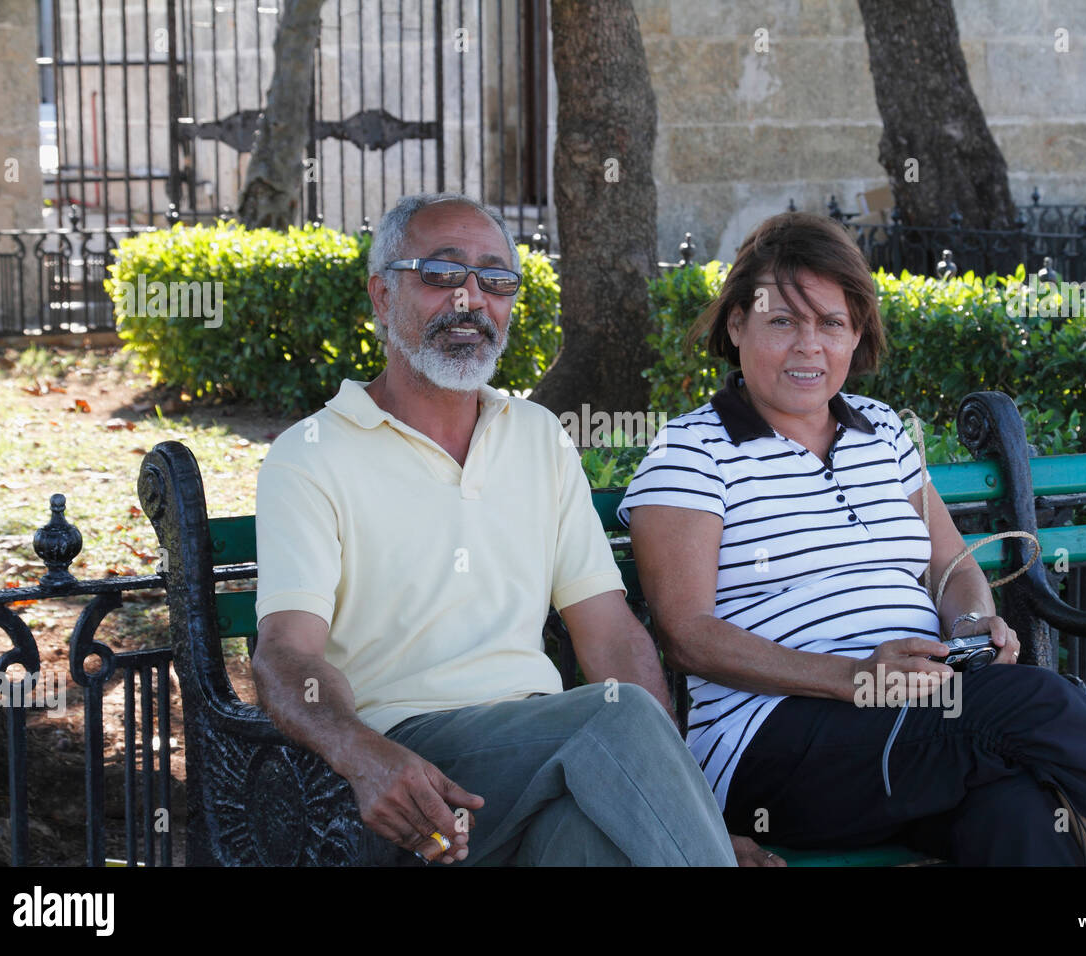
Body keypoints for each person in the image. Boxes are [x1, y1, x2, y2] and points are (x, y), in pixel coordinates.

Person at [621, 211, 1086, 866]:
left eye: (831, 323)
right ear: (737, 325)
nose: (808, 347)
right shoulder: (692, 450)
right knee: (1048, 702)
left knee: (1018, 812)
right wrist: (853, 678)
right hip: (771, 743)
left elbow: (952, 567)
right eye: (783, 321)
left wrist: (971, 626)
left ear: (856, 335)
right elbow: (686, 632)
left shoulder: (879, 429)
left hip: (919, 715)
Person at [250, 192, 770, 866]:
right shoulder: (313, 453)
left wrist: (677, 807)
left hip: (543, 772)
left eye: (495, 280)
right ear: (382, 294)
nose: (471, 299)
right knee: (614, 714)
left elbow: (609, 634)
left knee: (600, 849)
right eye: (442, 274)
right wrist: (363, 755)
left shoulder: (537, 438)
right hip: (407, 783)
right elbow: (285, 654)